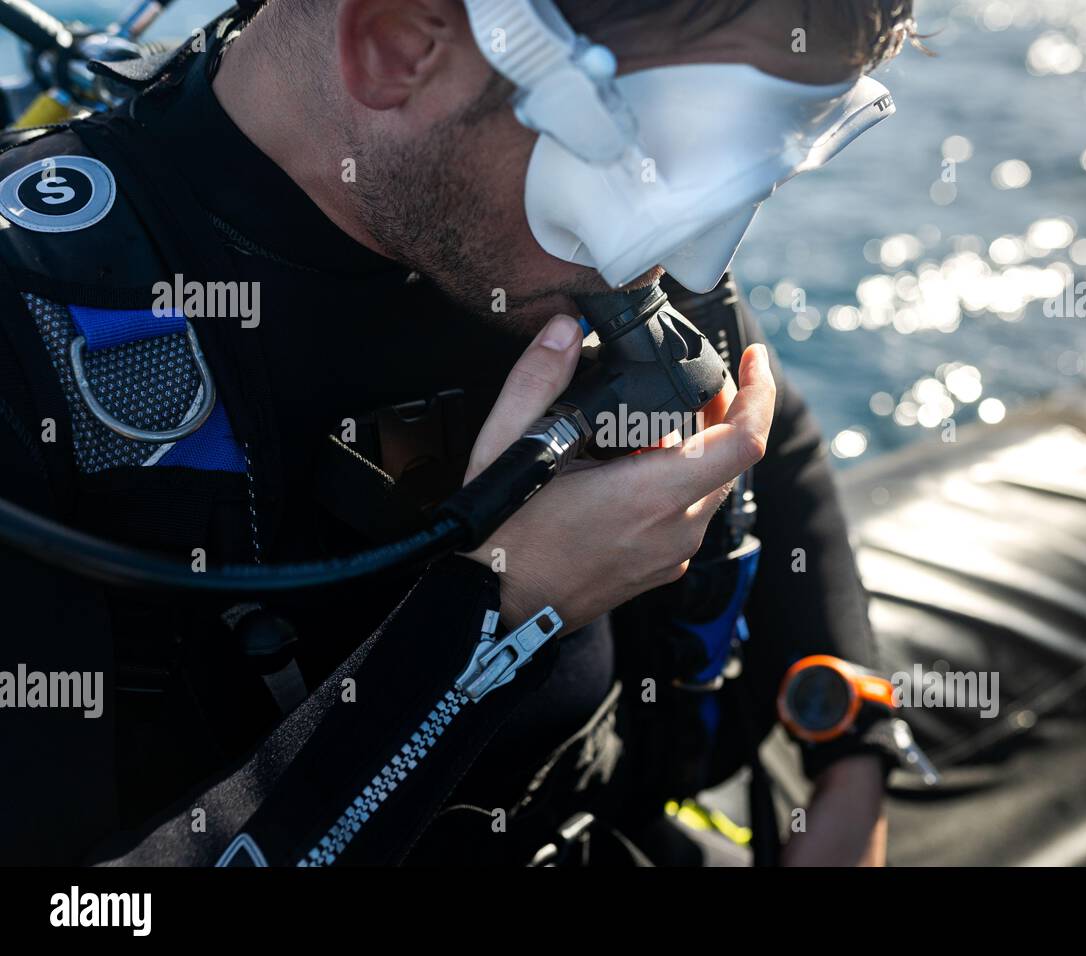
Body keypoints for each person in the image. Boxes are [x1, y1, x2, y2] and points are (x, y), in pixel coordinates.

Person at [0, 0, 916, 866]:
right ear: (401, 45)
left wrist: (852, 755)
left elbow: (760, 414)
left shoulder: (567, 224)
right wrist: (499, 618)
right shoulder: (37, 341)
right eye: (673, 165)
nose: (696, 257)